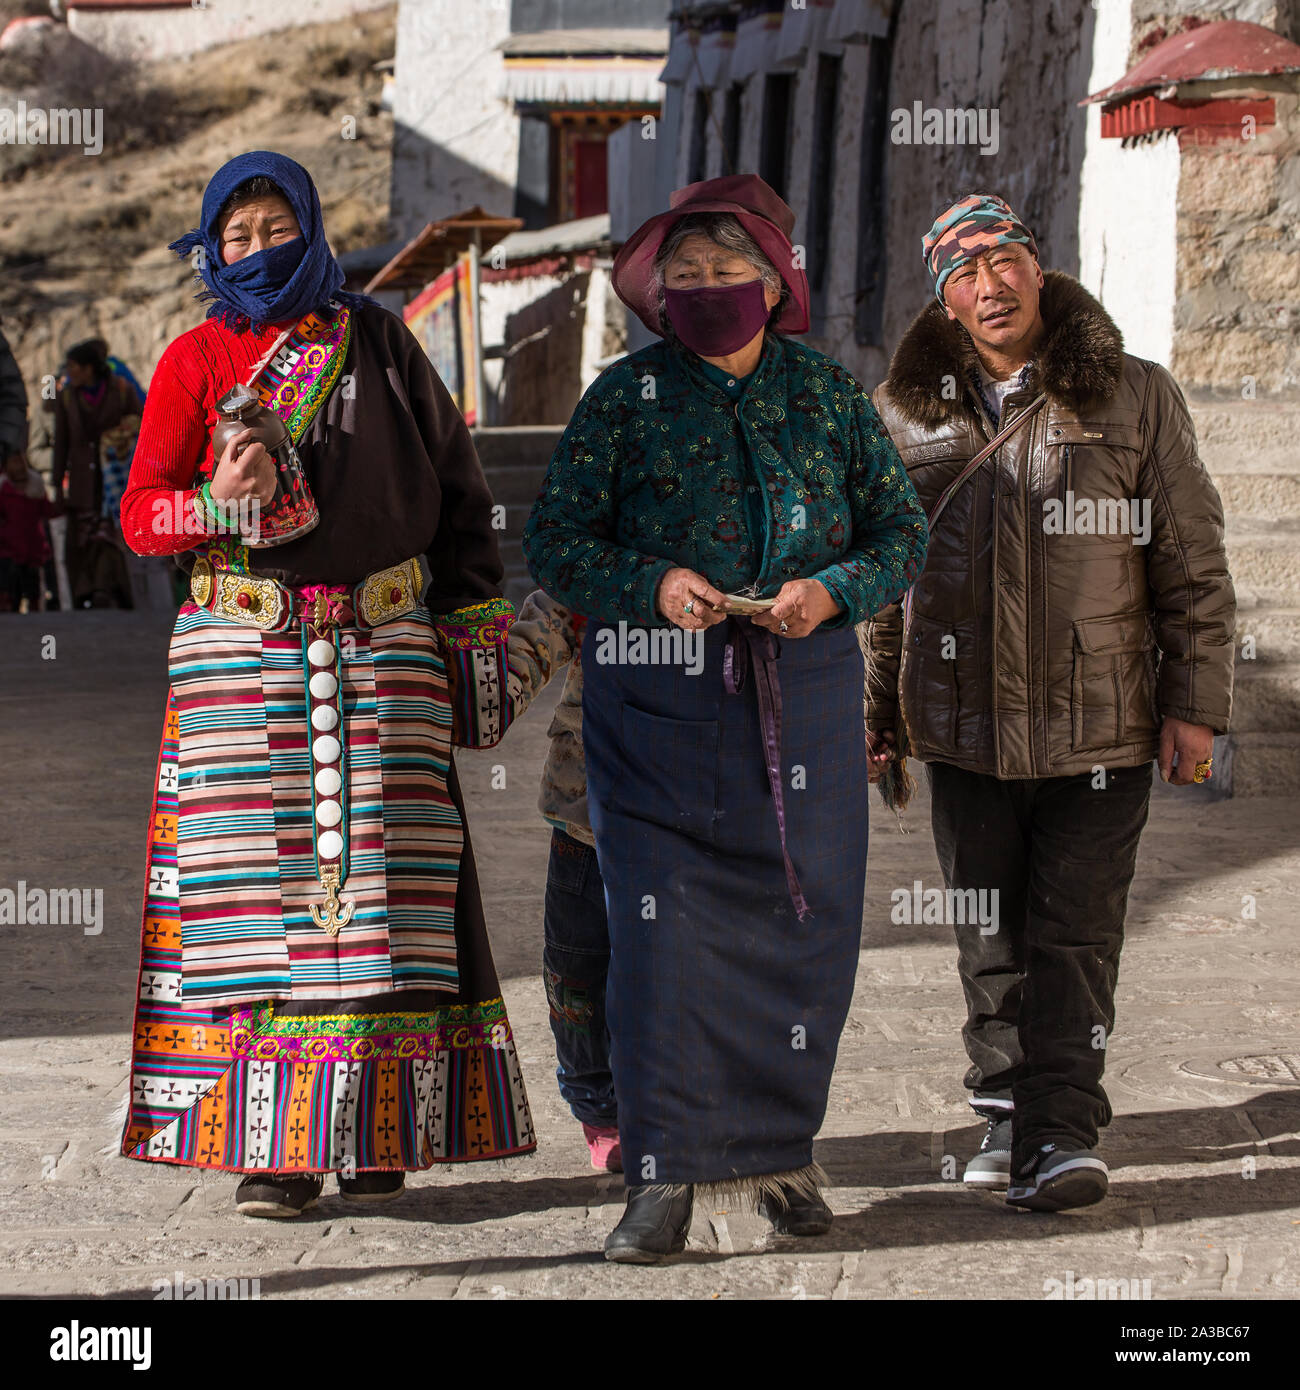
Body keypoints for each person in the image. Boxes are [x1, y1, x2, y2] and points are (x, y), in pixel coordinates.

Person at [117, 150, 535, 1218]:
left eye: (275, 228)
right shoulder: (193, 358)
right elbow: (140, 512)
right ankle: (276, 1152)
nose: (259, 251)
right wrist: (218, 504)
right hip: (236, 661)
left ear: (311, 227)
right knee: (251, 916)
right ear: (209, 249)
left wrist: (472, 622)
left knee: (386, 907)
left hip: (383, 655)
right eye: (236, 236)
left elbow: (459, 494)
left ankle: (380, 1128)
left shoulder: (382, 343)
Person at [524, 174, 928, 1262]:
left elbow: (899, 531)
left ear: (772, 281)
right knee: (661, 939)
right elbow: (557, 542)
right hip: (652, 701)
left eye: (727, 272)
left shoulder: (829, 396)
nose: (706, 289)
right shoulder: (623, 398)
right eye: (685, 277)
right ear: (659, 295)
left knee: (802, 934)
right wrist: (651, 583)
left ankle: (782, 1158)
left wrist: (831, 592)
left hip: (805, 697)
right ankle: (661, 1178)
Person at [865, 193, 1236, 1211]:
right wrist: (873, 713)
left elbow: (1191, 561)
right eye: (963, 270)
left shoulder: (1135, 397)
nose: (989, 285)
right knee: (987, 929)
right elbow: (882, 578)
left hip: (1100, 718)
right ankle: (1002, 1110)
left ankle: (1064, 1128)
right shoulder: (902, 414)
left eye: (1004, 259)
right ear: (942, 298)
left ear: (1039, 268)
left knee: (1074, 930)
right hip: (962, 718)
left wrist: (1195, 706)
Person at [505, 590, 621, 1173]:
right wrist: (489, 691)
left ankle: (682, 1095)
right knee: (576, 968)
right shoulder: (591, 555)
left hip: (691, 806)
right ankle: (598, 1106)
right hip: (586, 808)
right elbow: (541, 630)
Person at [52, 338, 138, 607]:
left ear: (89, 368)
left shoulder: (121, 389)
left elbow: (141, 421)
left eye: (74, 367)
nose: (69, 373)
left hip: (115, 475)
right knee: (84, 536)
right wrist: (57, 484)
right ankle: (88, 591)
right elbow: (61, 443)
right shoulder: (66, 398)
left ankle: (109, 589)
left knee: (110, 532)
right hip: (82, 480)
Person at [0, 447, 55, 612]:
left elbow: (47, 511)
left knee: (32, 589)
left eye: (20, 461)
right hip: (7, 549)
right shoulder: (3, 489)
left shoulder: (35, 486)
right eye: (14, 462)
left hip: (33, 548)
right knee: (9, 589)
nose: (19, 466)